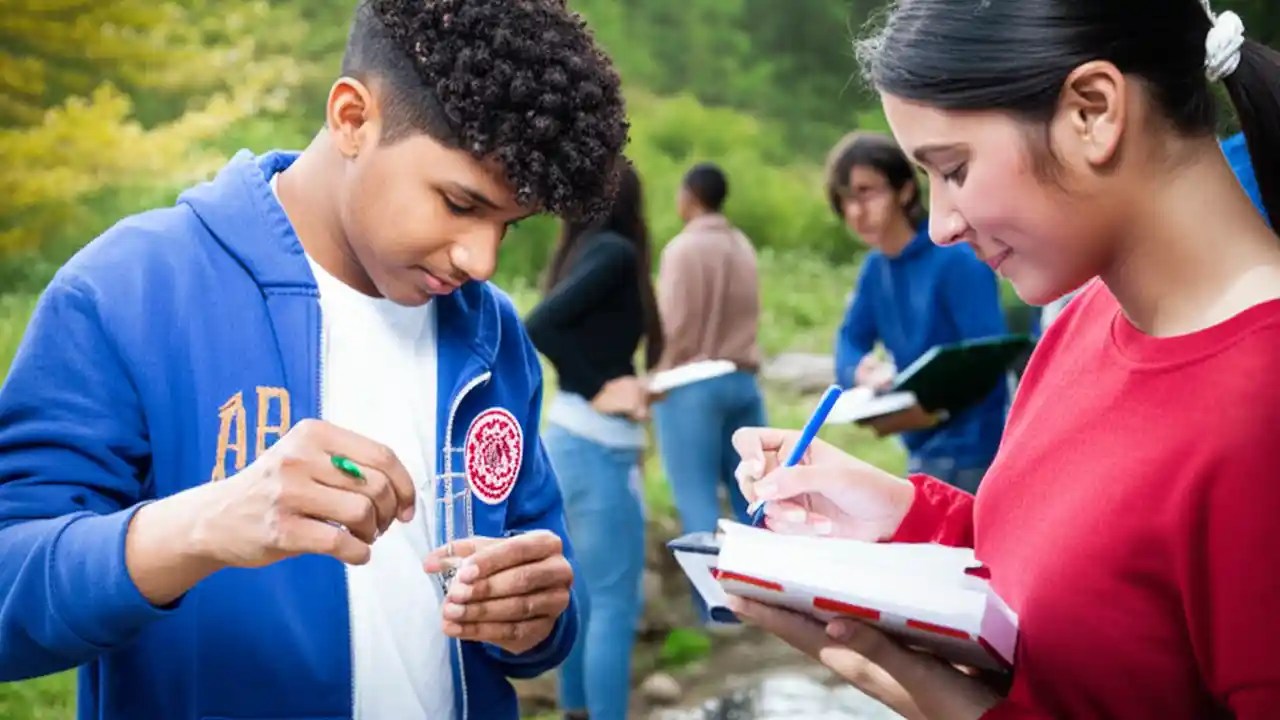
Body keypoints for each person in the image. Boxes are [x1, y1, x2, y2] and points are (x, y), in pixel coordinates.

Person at [0, 1, 631, 719]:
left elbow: (545, 591)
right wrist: (200, 527)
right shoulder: (130, 288)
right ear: (352, 117)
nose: (480, 261)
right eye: (459, 204)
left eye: (508, 229)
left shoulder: (493, 335)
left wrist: (538, 616)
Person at [727, 0, 1280, 718]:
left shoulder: (1261, 408)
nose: (941, 225)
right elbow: (1078, 601)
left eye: (952, 169)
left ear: (1093, 111)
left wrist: (956, 706)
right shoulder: (1088, 318)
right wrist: (902, 516)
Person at [524, 160, 662, 720]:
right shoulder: (615, 252)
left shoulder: (583, 252)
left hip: (570, 441)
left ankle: (575, 711)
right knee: (612, 603)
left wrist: (621, 383)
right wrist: (600, 386)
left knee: (582, 597)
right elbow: (541, 325)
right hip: (595, 449)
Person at [828, 131, 1009, 493]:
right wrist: (860, 371)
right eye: (845, 198)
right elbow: (850, 338)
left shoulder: (956, 258)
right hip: (921, 447)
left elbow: (989, 354)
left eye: (867, 192)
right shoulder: (876, 268)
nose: (855, 211)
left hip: (975, 450)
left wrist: (933, 408)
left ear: (905, 191)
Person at [651, 162, 766, 621]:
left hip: (692, 386)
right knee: (750, 499)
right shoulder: (743, 247)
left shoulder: (682, 250)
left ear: (691, 196)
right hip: (742, 380)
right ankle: (762, 600)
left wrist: (655, 377)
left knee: (697, 499)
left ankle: (716, 609)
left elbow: (673, 326)